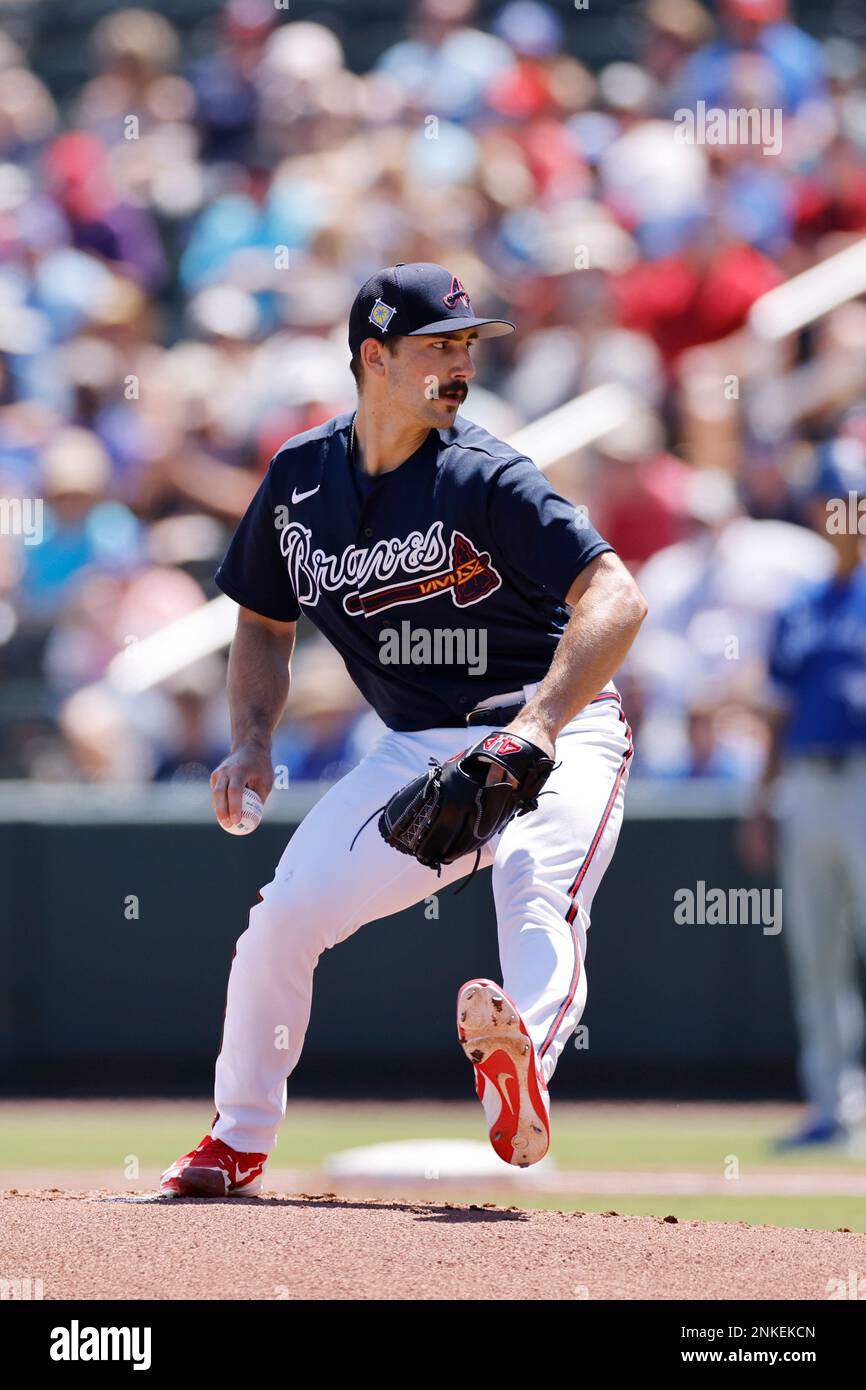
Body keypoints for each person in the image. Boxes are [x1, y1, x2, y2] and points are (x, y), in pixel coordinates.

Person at [160, 262, 646, 1196]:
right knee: (282, 921)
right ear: (373, 358)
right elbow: (262, 619)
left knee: (534, 881)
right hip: (416, 748)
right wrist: (253, 740)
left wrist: (540, 726)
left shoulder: (486, 473)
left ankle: (523, 1077)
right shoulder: (301, 477)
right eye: (439, 346)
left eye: (467, 344)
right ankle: (237, 1138)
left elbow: (617, 596)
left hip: (559, 725)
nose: (460, 362)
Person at [741, 438, 866, 1148]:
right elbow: (777, 714)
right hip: (810, 787)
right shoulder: (802, 603)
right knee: (817, 954)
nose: (839, 514)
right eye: (829, 501)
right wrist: (762, 803)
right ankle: (834, 1108)